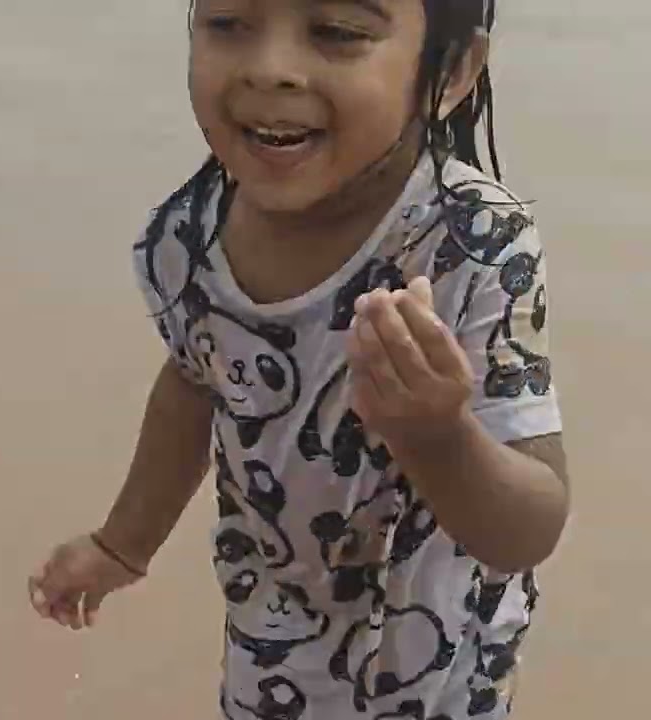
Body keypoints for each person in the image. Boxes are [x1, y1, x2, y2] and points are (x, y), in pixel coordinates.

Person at [29, 1, 571, 717]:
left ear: (453, 73)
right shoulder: (189, 240)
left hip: (443, 660)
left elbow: (531, 527)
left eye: (337, 33)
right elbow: (194, 383)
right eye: (228, 23)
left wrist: (439, 438)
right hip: (276, 639)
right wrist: (121, 546)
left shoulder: (473, 249)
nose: (271, 69)